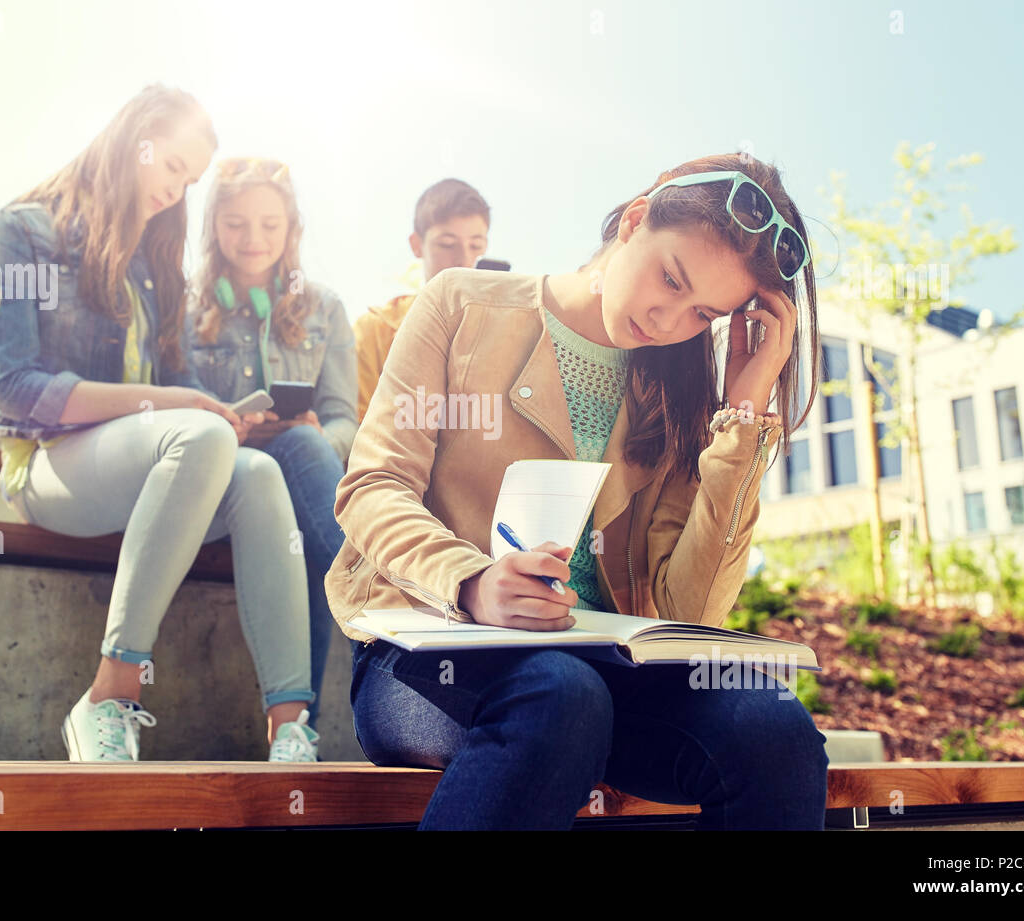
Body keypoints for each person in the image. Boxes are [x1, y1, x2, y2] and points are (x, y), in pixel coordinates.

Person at [326, 153, 829, 829]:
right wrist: (473, 580)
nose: (670, 317)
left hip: (605, 671)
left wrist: (741, 414)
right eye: (670, 278)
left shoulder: (679, 397)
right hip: (424, 652)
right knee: (560, 695)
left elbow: (693, 607)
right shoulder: (459, 306)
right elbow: (373, 487)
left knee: (774, 727)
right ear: (634, 221)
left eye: (703, 312)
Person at [0, 85, 319, 763]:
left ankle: (290, 725)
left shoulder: (153, 265)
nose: (175, 189)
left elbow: (178, 383)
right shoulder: (20, 231)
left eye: (188, 179)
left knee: (257, 469)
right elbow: (15, 389)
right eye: (171, 166)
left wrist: (225, 409)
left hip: (151, 467)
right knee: (199, 433)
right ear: (134, 139)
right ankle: (109, 693)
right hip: (50, 464)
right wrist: (171, 408)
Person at [187, 156, 357, 732]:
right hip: (224, 475)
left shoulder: (324, 308)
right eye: (236, 224)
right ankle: (377, 609)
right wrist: (224, 425)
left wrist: (314, 431)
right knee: (291, 477)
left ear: (291, 229)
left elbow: (343, 423)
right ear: (213, 226)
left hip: (299, 470)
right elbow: (174, 412)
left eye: (269, 224)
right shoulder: (188, 311)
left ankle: (295, 733)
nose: (253, 239)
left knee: (308, 458)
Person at [353, 178, 490, 421]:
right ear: (417, 245)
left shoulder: (506, 334)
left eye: (476, 245)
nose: (464, 260)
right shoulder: (374, 331)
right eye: (447, 244)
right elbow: (360, 433)